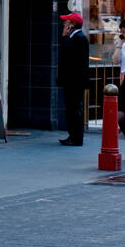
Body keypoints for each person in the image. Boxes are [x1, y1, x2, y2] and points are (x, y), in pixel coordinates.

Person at [56, 11, 89, 146]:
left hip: (75, 81)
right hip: (72, 80)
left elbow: (68, 56)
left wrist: (64, 36)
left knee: (74, 109)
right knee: (71, 109)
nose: (64, 24)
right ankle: (72, 135)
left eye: (67, 22)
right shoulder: (75, 38)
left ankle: (76, 138)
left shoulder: (79, 38)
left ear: (72, 25)